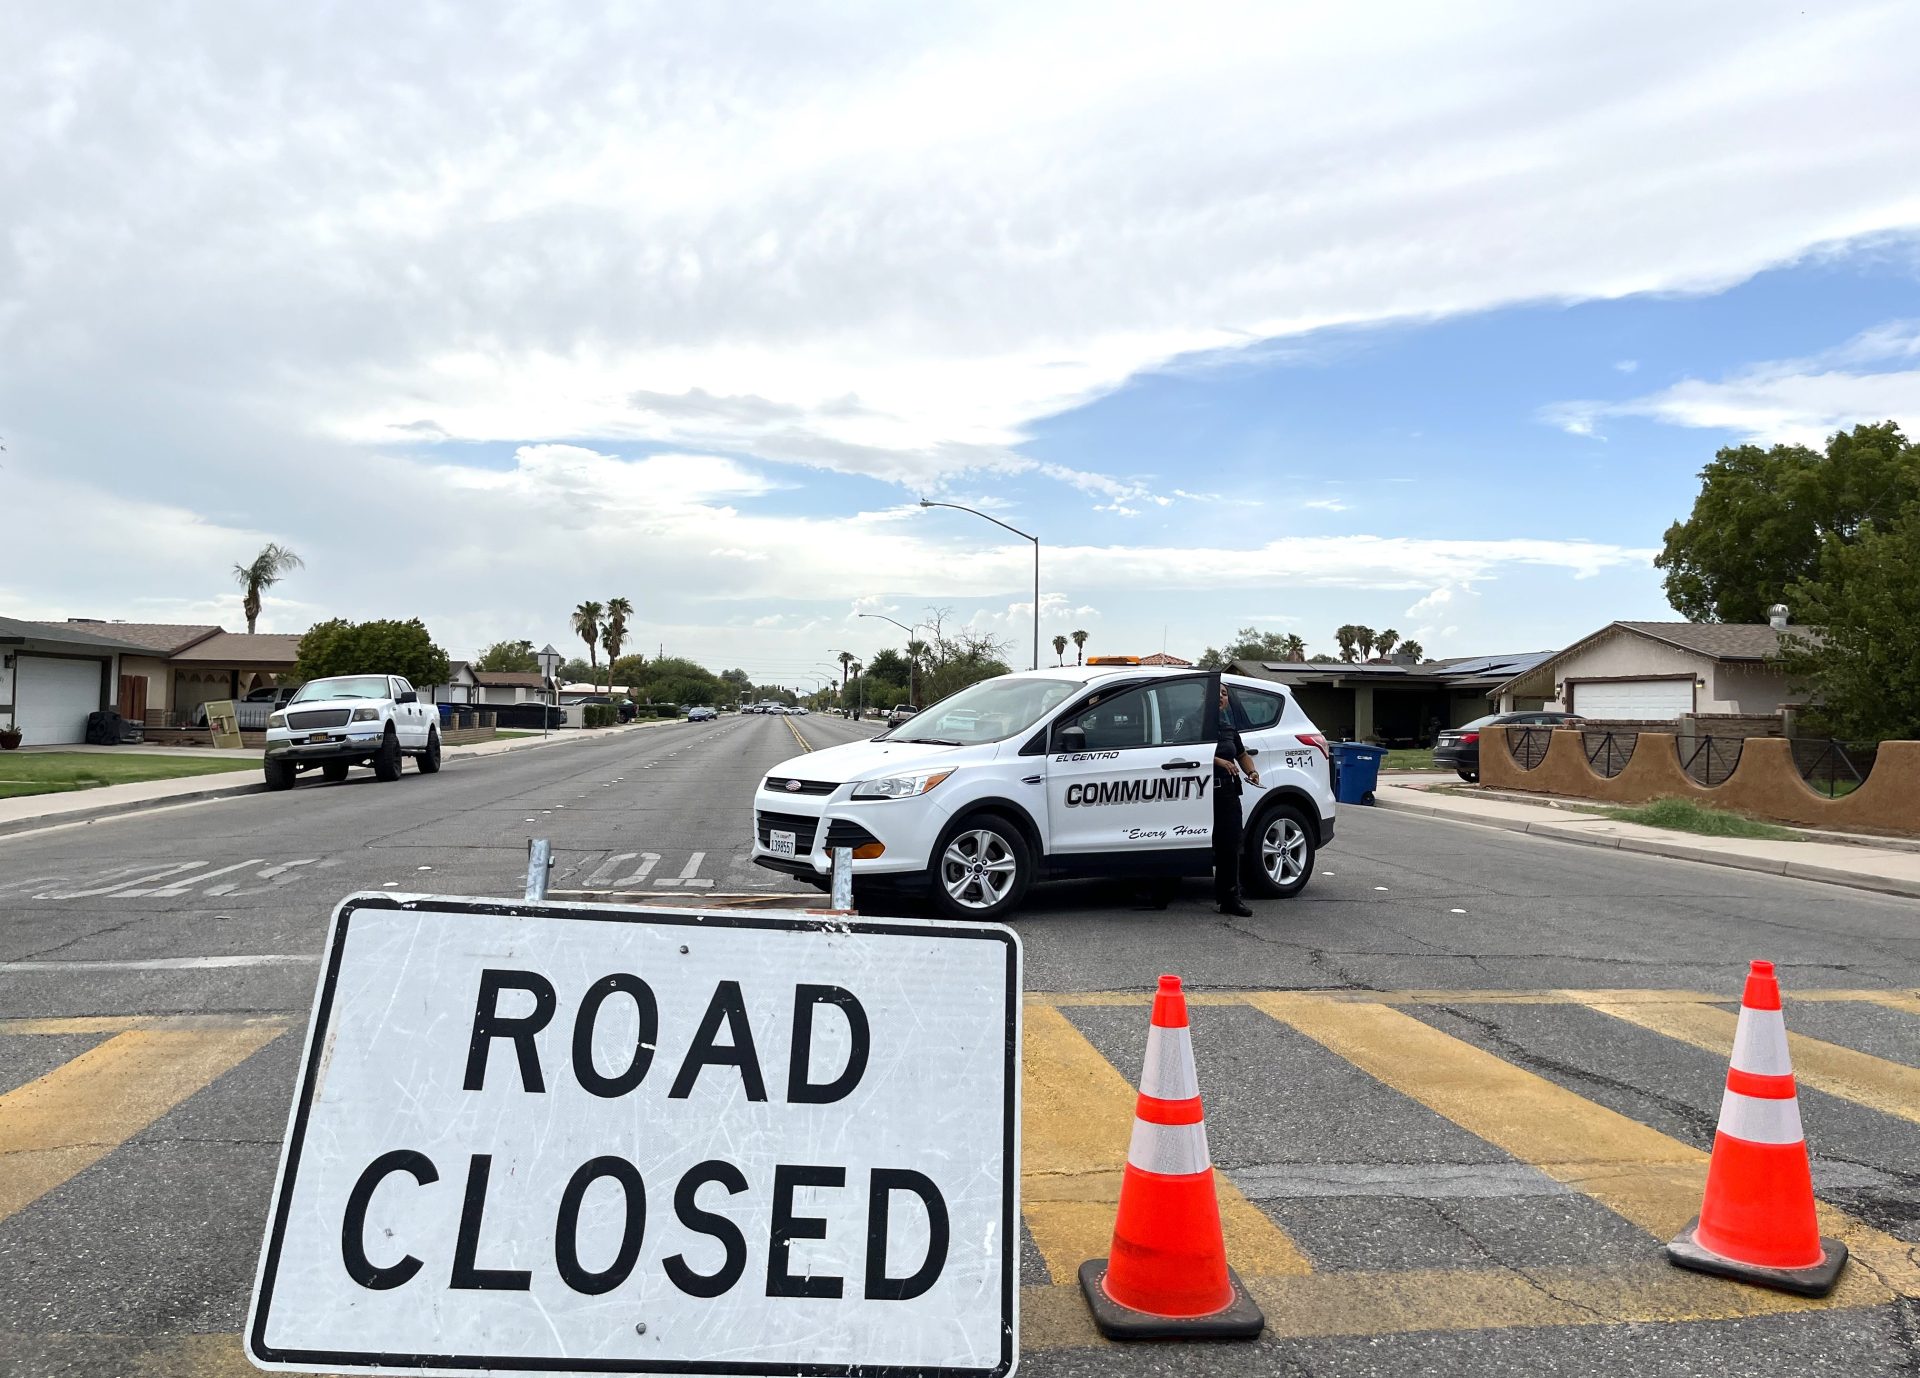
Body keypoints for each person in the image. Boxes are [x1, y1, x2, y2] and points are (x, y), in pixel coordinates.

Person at [1212, 682, 1259, 917]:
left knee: (1230, 844)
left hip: (1228, 793)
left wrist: (1251, 771)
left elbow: (1241, 754)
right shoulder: (1194, 724)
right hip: (1202, 793)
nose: (1221, 697)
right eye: (1217, 693)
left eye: (1224, 694)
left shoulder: (1228, 727)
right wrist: (1219, 762)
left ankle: (1230, 898)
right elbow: (1185, 752)